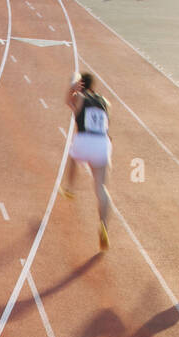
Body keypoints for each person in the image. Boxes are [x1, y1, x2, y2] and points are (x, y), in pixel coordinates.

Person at [60, 72, 112, 251]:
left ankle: (70, 188)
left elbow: (67, 100)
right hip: (103, 142)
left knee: (73, 157)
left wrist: (72, 86)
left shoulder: (79, 97)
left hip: (84, 139)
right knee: (101, 188)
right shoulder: (105, 101)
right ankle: (103, 224)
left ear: (82, 85)